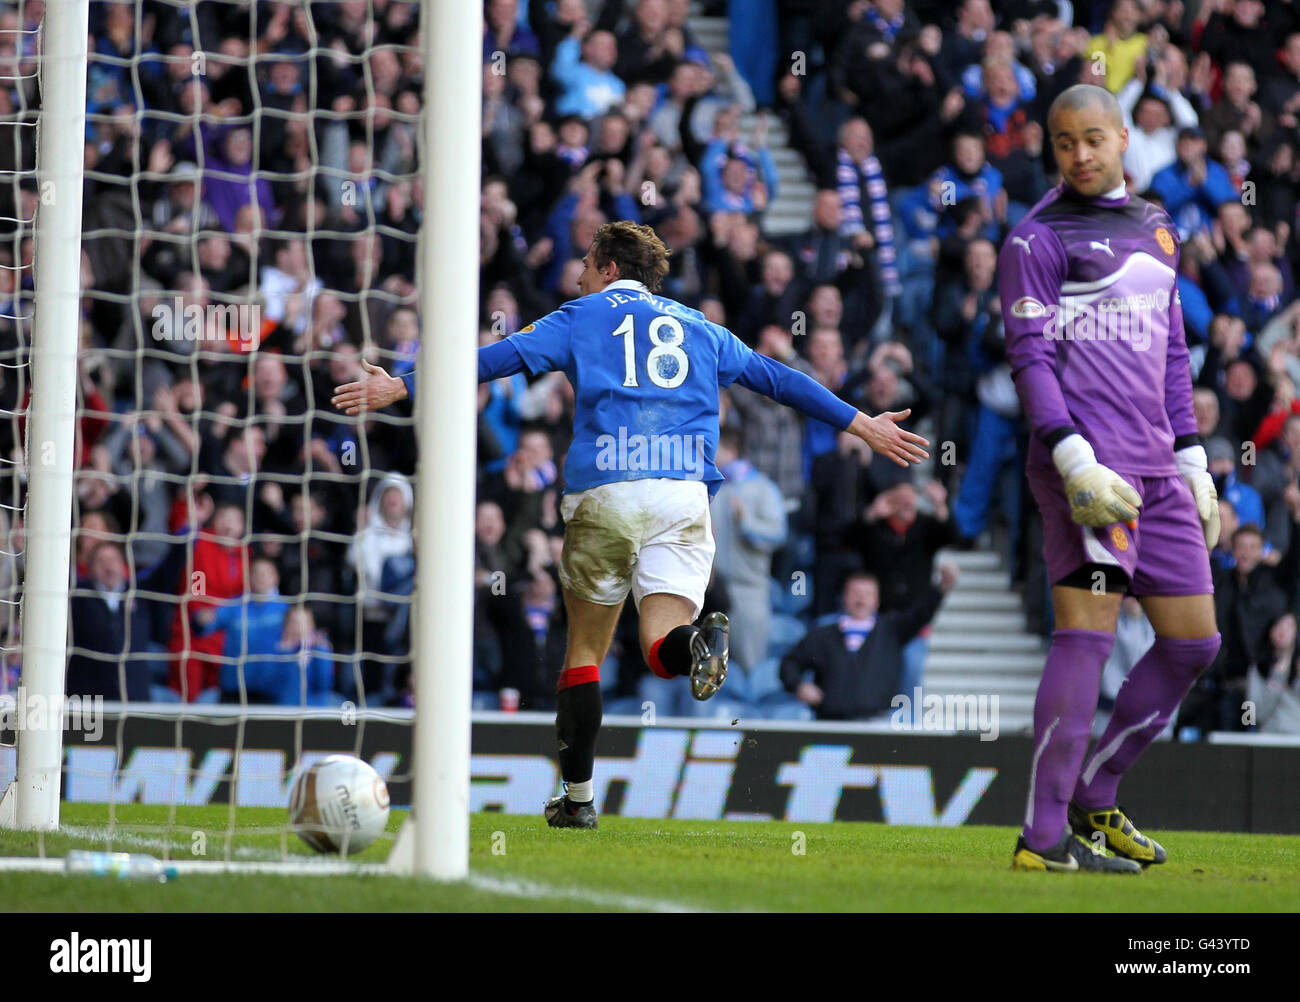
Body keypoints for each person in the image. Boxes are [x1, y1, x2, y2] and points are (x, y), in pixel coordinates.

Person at [332, 220, 929, 829]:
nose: (579, 274)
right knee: (660, 646)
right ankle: (696, 641)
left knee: (585, 649)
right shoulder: (702, 327)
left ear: (611, 270)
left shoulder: (577, 317)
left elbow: (495, 360)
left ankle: (580, 799)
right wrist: (863, 424)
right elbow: (780, 379)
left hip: (607, 489)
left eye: (587, 264)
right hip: (685, 495)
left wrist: (402, 388)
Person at [1000, 84, 1222, 874]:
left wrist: (1194, 459)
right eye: (1064, 143)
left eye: (1093, 138)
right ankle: (1043, 837)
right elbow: (1028, 361)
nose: (1081, 154)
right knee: (1087, 641)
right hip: (1087, 471)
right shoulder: (1036, 239)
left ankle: (1098, 797)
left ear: (1125, 137)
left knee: (1195, 644)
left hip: (1159, 471)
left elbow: (1169, 353)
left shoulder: (1159, 227)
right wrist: (1070, 457)